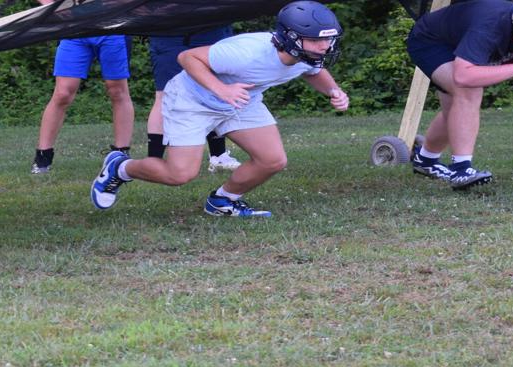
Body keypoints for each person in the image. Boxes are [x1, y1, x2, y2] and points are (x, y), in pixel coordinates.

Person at [89, 1, 348, 219]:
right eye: (317, 41)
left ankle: (222, 201)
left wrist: (333, 92)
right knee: (179, 174)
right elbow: (187, 58)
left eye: (328, 40)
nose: (325, 47)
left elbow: (314, 71)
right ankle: (120, 168)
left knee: (272, 160)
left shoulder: (305, 56)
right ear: (290, 37)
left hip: (239, 99)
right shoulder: (246, 52)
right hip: (193, 100)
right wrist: (221, 89)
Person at [404, 0, 513, 189]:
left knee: (454, 109)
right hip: (431, 41)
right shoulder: (491, 25)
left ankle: (425, 161)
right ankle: (461, 170)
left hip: (462, 43)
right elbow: (463, 76)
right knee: (468, 89)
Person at [32, 0, 133, 174]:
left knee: (117, 90)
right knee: (63, 92)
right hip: (75, 28)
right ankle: (42, 157)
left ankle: (120, 155)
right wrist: (55, 7)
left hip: (115, 27)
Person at [144, 21, 241, 171]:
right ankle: (153, 160)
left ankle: (218, 155)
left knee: (216, 92)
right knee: (164, 97)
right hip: (170, 35)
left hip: (212, 31)